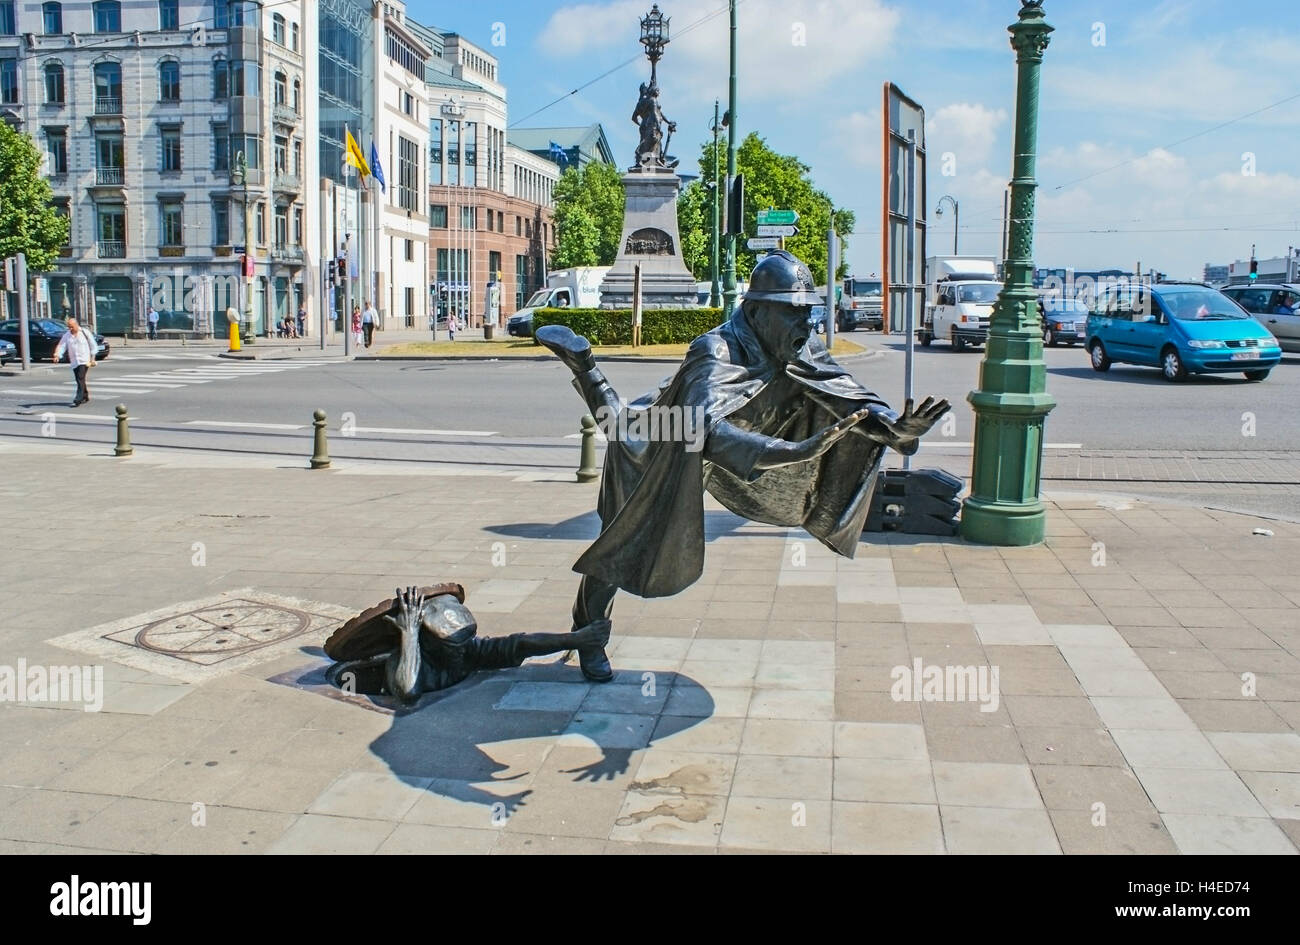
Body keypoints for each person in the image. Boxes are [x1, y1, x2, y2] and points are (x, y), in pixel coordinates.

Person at [536, 250, 949, 682]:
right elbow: (704, 431)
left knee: (620, 430)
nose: (806, 324)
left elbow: (849, 396)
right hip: (668, 438)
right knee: (619, 540)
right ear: (755, 311)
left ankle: (587, 370)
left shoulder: (798, 342)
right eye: (793, 313)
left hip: (720, 441)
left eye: (809, 312)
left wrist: (896, 429)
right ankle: (589, 637)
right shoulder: (714, 350)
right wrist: (792, 452)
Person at [324, 587, 611, 703]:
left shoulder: (468, 652)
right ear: (428, 641)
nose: (461, 648)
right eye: (451, 644)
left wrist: (576, 639)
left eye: (464, 641)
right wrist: (409, 633)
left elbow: (519, 645)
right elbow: (408, 693)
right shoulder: (404, 660)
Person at [51, 317, 97, 407]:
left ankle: (78, 399)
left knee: (80, 377)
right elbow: (61, 346)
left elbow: (93, 345)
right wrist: (57, 355)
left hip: (84, 360)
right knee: (79, 379)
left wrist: (93, 358)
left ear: (76, 325)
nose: (70, 329)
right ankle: (85, 395)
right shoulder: (67, 335)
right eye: (69, 327)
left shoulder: (84, 332)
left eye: (72, 327)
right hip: (74, 360)